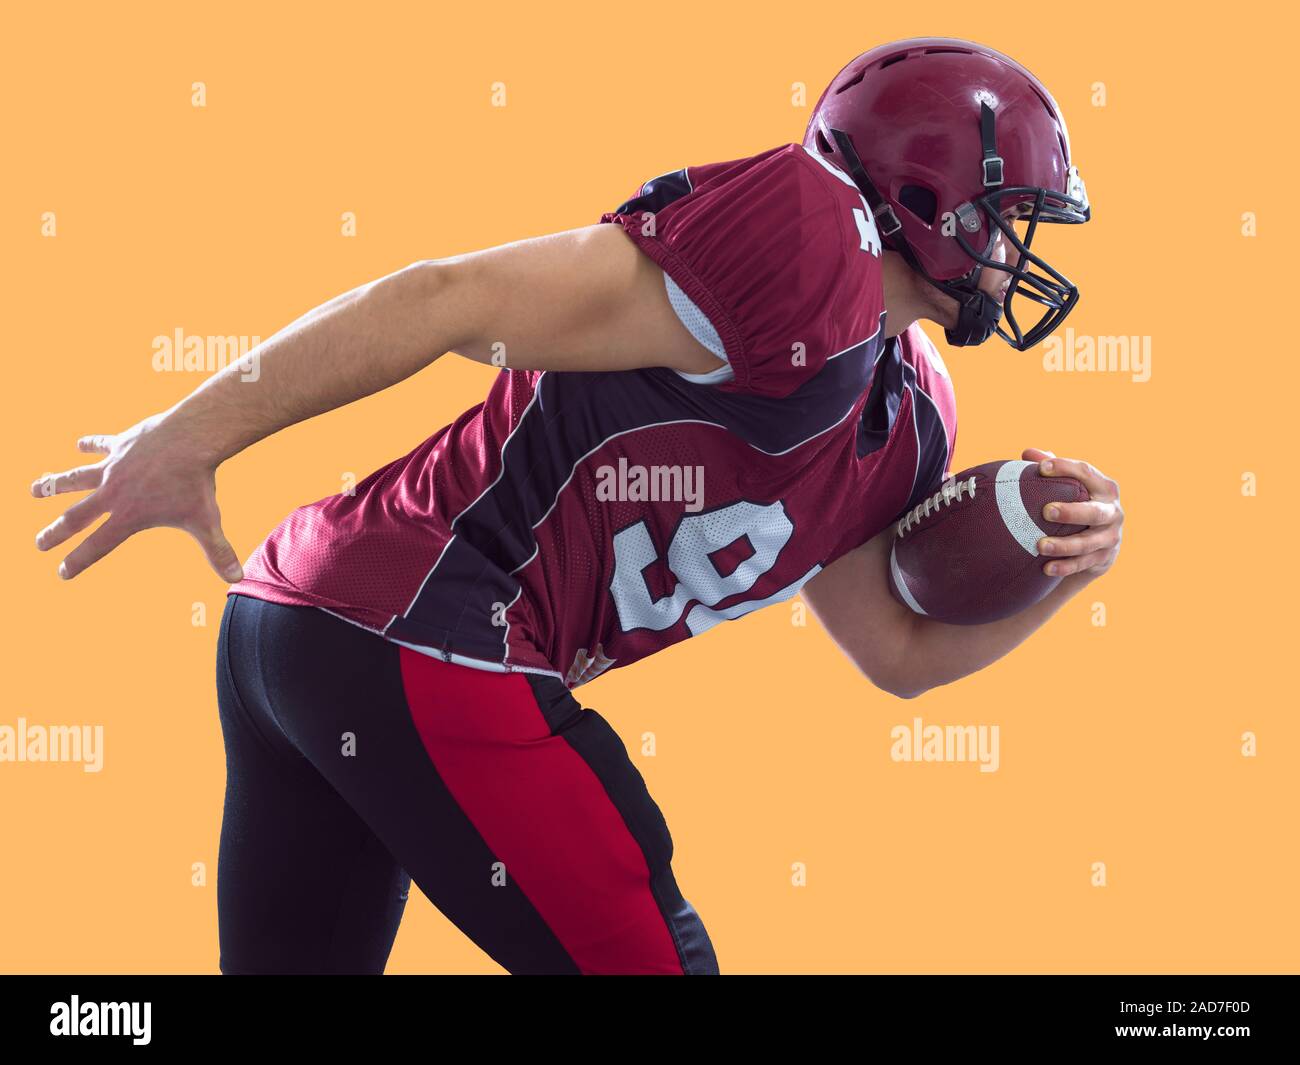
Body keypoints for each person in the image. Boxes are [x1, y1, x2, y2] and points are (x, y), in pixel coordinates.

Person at [31, 38, 1123, 974]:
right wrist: (191, 434)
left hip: (304, 630)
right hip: (425, 630)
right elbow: (448, 298)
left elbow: (894, 651)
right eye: (1010, 216)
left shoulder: (913, 413)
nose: (1019, 253)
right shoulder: (808, 243)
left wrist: (1069, 572)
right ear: (928, 198)